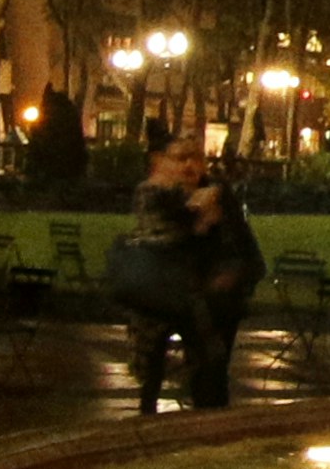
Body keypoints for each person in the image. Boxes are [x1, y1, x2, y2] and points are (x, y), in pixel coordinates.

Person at [104, 135, 212, 415]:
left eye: (193, 159)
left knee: (199, 354)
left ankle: (194, 409)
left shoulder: (186, 192)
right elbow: (186, 222)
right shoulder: (154, 192)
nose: (187, 165)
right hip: (159, 286)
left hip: (178, 286)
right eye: (179, 159)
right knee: (154, 359)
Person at [189, 155, 262, 412]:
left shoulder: (217, 197)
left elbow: (244, 249)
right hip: (199, 293)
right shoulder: (173, 197)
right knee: (207, 363)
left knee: (213, 362)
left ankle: (211, 414)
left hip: (220, 295)